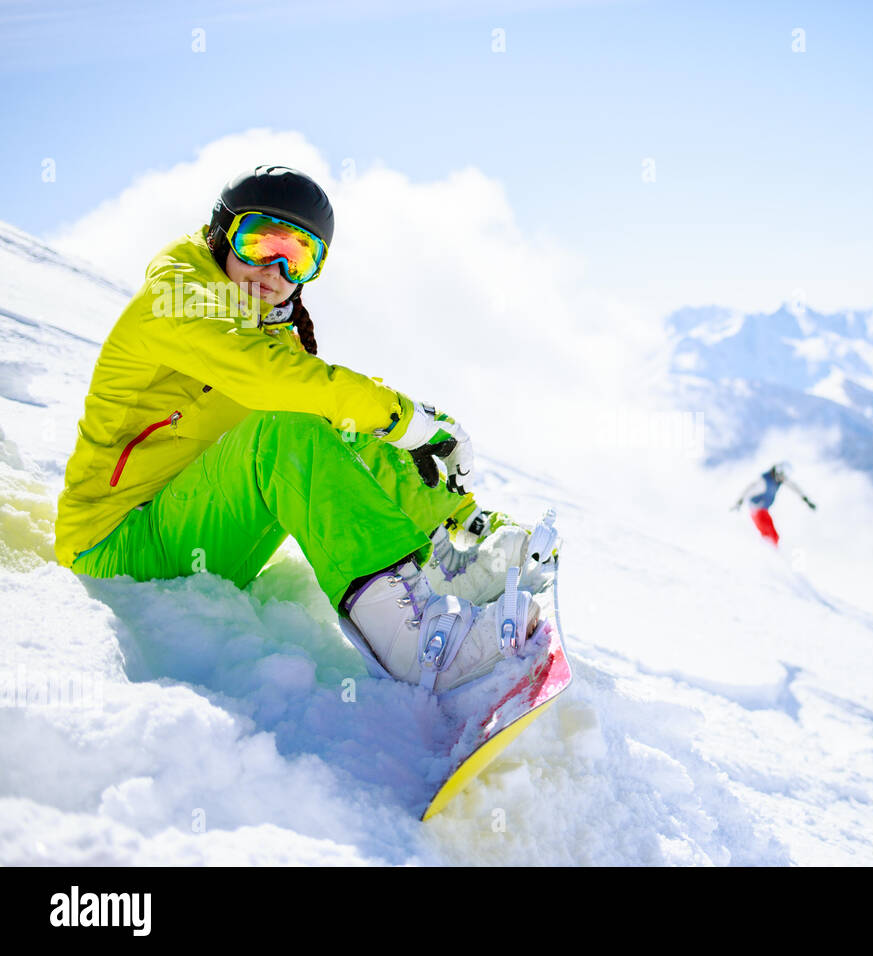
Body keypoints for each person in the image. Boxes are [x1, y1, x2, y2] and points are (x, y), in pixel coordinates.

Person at [55, 165, 554, 696]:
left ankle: (447, 559)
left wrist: (440, 487)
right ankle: (416, 647)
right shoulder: (178, 296)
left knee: (331, 416)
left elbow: (322, 403)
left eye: (297, 257)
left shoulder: (268, 323)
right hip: (114, 548)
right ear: (221, 233)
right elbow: (268, 380)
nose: (274, 268)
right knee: (292, 423)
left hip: (189, 531)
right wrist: (402, 417)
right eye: (259, 243)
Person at [730, 461, 816, 546]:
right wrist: (739, 502)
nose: (783, 479)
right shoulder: (764, 481)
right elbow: (749, 489)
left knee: (774, 536)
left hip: (763, 509)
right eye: (782, 476)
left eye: (784, 477)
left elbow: (793, 486)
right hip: (756, 509)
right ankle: (766, 552)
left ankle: (773, 551)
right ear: (777, 472)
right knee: (768, 536)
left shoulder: (778, 480)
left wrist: (805, 499)